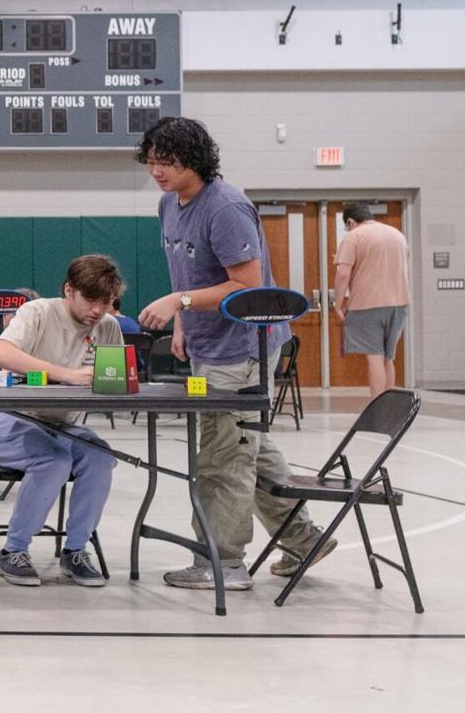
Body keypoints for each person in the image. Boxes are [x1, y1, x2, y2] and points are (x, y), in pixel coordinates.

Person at [132, 116, 332, 590]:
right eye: (152, 161)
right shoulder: (169, 204)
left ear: (195, 160)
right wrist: (184, 319)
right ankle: (305, 539)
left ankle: (222, 563)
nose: (157, 171)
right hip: (206, 343)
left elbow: (246, 284)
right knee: (247, 443)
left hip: (243, 346)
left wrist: (176, 303)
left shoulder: (226, 207)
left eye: (168, 162)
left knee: (222, 456)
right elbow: (189, 274)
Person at [0, 255, 127, 587]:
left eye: (106, 302)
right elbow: (1, 355)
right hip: (8, 419)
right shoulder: (38, 312)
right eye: (91, 299)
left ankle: (75, 551)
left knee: (101, 457)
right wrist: (68, 376)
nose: (98, 310)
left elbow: (114, 379)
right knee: (53, 461)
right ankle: (14, 550)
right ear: (68, 289)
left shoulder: (108, 327)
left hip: (62, 426)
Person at [334, 203, 412, 397]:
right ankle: (388, 407)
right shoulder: (397, 234)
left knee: (374, 357)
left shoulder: (354, 237)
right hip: (399, 303)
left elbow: (343, 273)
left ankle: (376, 408)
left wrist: (337, 304)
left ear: (351, 222)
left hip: (367, 304)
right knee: (388, 357)